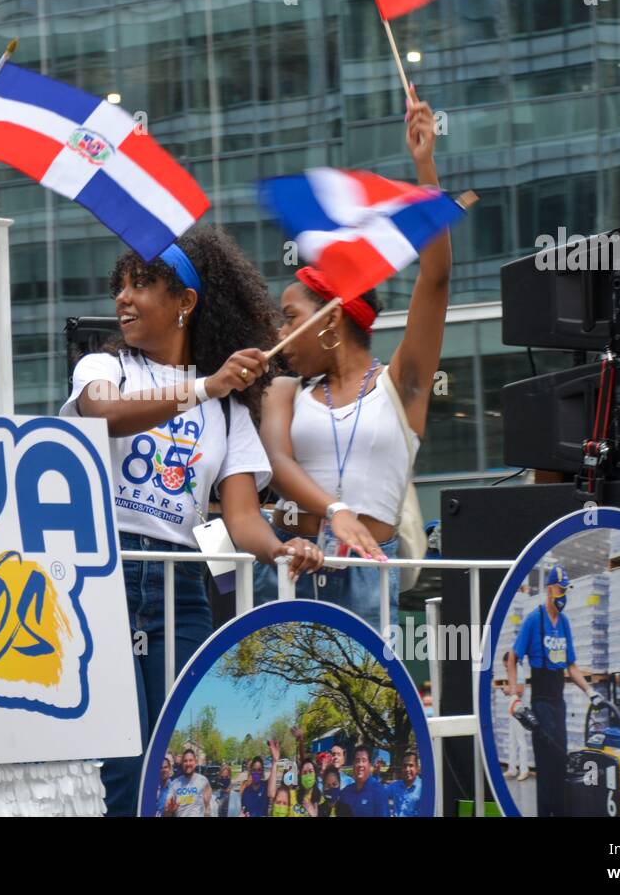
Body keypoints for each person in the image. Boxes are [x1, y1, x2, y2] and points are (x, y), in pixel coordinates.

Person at [62, 227, 324, 815]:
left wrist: (286, 550)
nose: (123, 299)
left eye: (143, 284)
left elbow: (241, 520)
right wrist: (205, 385)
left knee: (174, 750)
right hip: (109, 576)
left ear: (185, 302)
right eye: (120, 286)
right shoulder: (105, 365)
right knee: (123, 762)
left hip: (183, 588)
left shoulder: (230, 408)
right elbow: (101, 414)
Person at [255, 94, 451, 628]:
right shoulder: (284, 392)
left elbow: (434, 280)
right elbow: (278, 463)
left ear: (332, 320)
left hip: (366, 576)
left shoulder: (400, 386)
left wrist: (424, 165)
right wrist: (336, 512)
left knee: (362, 707)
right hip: (292, 563)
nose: (280, 331)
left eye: (290, 316)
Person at [504, 565, 600, 817]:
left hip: (559, 701)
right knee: (547, 765)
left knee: (560, 764)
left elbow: (571, 665)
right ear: (549, 590)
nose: (563, 595)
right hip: (541, 700)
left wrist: (590, 692)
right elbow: (513, 658)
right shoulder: (534, 620)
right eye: (560, 589)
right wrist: (514, 695)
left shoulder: (564, 622)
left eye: (566, 590)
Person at [336, 745, 389, 817]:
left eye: (364, 761)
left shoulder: (379, 791)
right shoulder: (345, 792)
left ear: (370, 765)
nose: (360, 764)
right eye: (357, 761)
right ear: (353, 765)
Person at [163, 749, 213, 817]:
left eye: (190, 760)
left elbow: (208, 804)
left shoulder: (203, 780)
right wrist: (169, 811)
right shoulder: (175, 783)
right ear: (182, 764)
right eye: (185, 761)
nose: (188, 763)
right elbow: (168, 810)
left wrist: (207, 810)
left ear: (195, 762)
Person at [506, 681, 531, 781]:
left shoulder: (518, 670)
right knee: (512, 740)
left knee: (520, 740)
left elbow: (520, 691)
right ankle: (512, 769)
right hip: (513, 708)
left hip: (519, 708)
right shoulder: (512, 672)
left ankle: (524, 770)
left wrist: (508, 690)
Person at [385, 751, 423, 816]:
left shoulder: (424, 787)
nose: (407, 769)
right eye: (405, 766)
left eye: (411, 765)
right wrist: (375, 774)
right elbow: (379, 791)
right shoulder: (395, 786)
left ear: (417, 768)